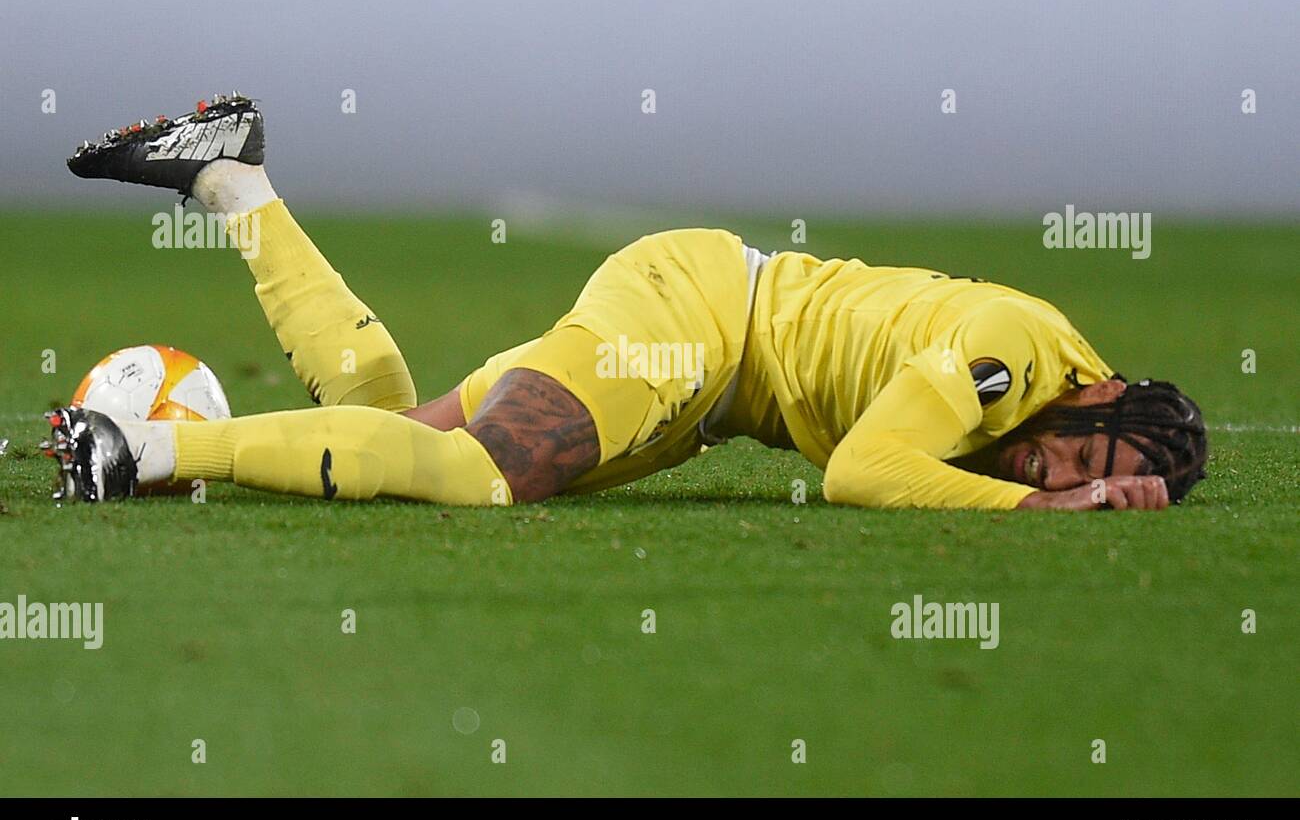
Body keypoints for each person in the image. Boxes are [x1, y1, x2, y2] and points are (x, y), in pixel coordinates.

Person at [48, 94, 1207, 510]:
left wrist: (1082, 484)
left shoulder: (1055, 379)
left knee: (404, 441)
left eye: (1062, 478)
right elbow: (861, 471)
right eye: (1065, 460)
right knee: (484, 480)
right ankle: (139, 445)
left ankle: (231, 176)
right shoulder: (1010, 354)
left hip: (698, 376)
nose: (1039, 473)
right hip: (693, 324)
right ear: (1093, 392)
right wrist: (1034, 515)